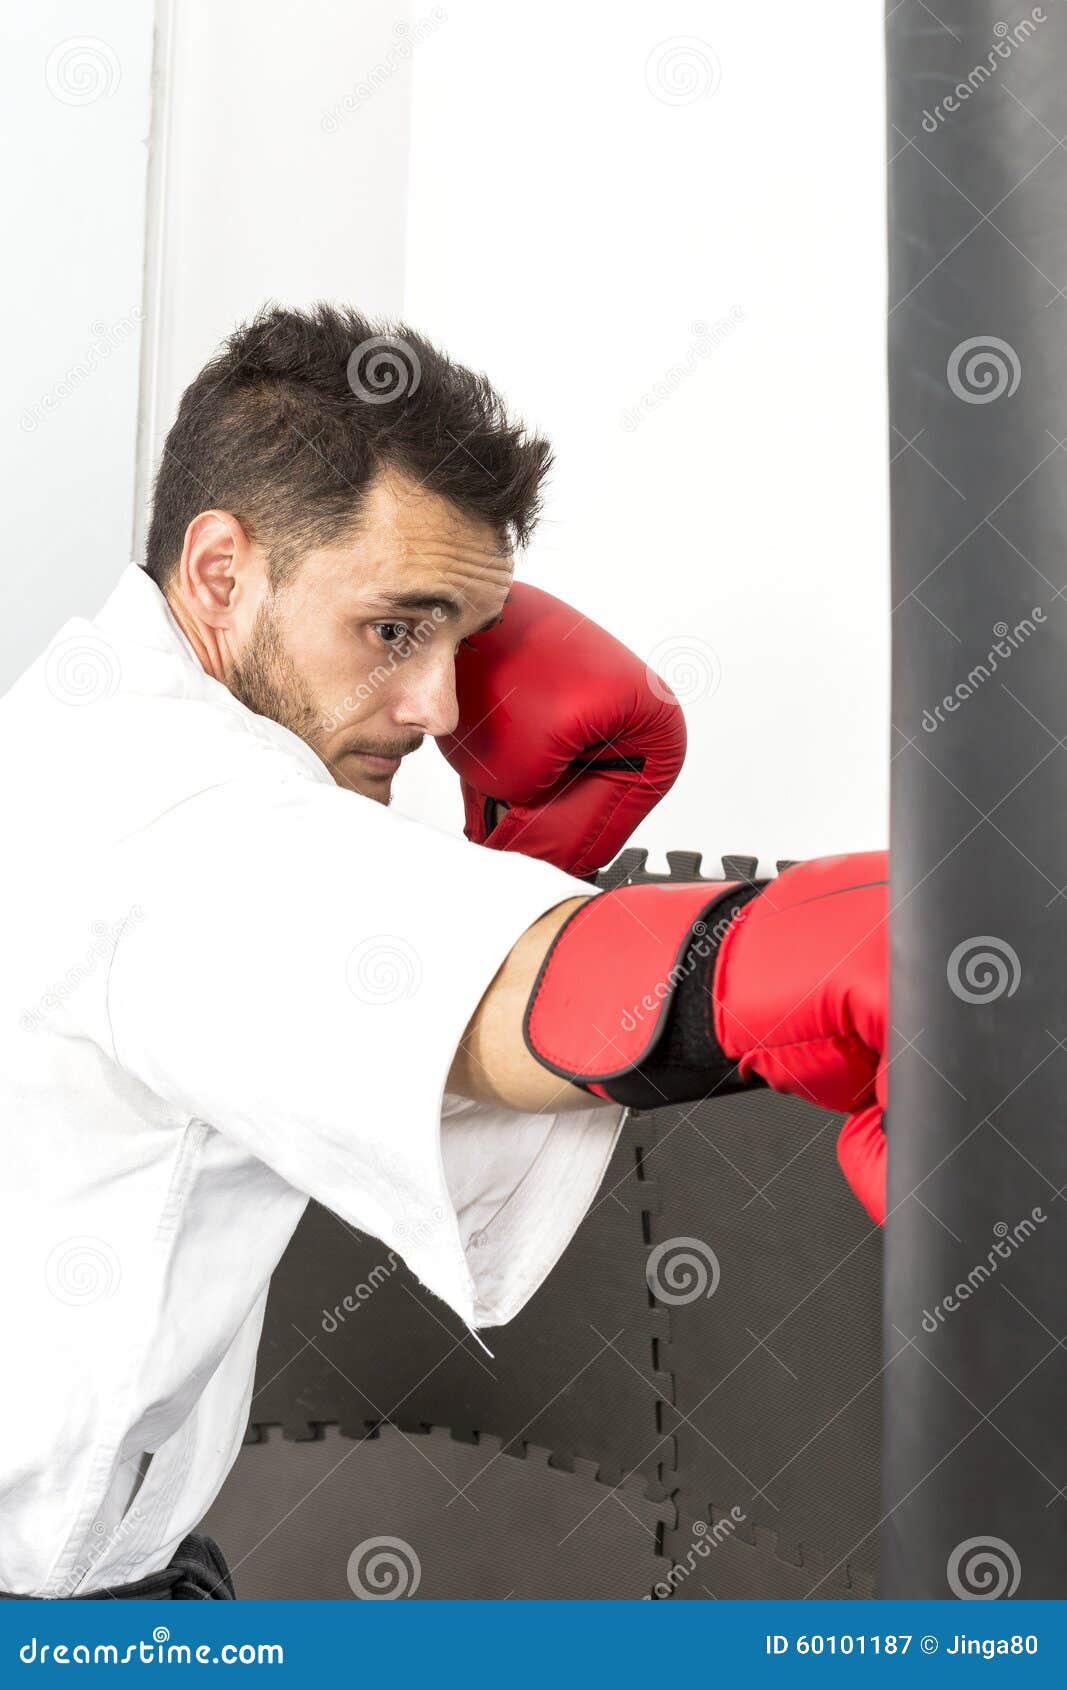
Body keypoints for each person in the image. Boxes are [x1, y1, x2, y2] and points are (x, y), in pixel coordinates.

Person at [0, 303, 885, 1598]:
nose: (441, 708)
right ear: (220, 572)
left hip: (124, 1571)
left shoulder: (87, 722)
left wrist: (510, 869)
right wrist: (790, 958)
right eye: (398, 628)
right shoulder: (162, 806)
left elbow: (305, 949)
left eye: (466, 640)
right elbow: (490, 984)